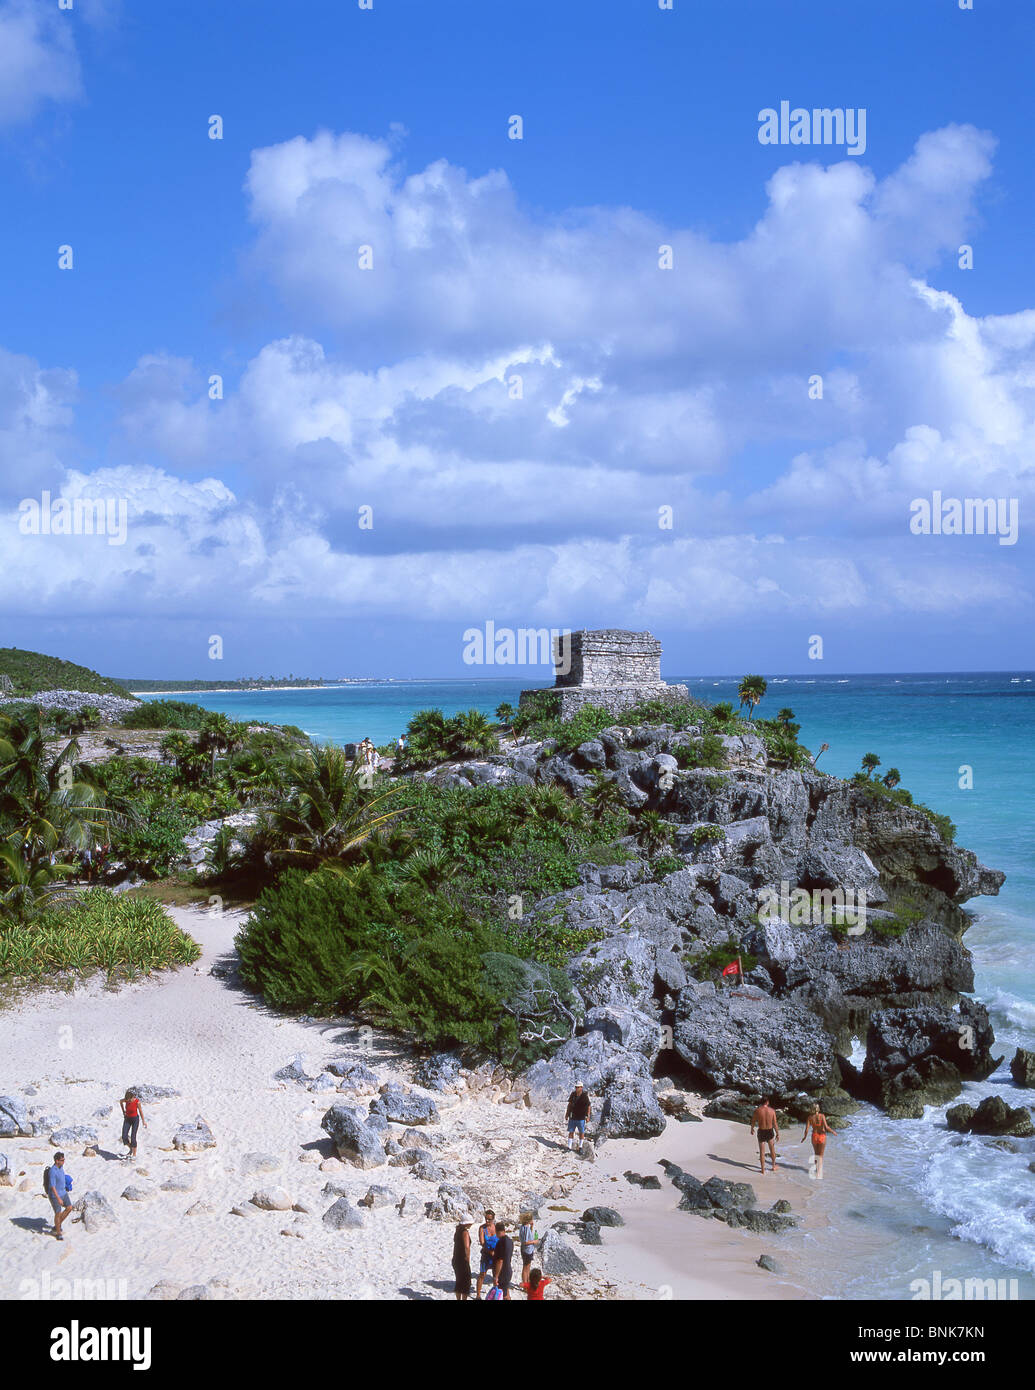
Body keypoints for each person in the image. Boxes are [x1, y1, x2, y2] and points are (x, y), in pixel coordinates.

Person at [801, 1100, 834, 1179]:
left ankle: (816, 1170)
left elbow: (806, 1130)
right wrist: (833, 1132)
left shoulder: (810, 1118)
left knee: (816, 1155)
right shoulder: (822, 1116)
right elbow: (826, 1127)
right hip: (822, 1136)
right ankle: (819, 1174)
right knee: (821, 1156)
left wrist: (804, 1138)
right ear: (818, 1109)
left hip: (814, 1136)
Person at [751, 1096, 779, 1174]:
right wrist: (777, 1133)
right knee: (772, 1149)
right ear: (767, 1102)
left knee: (762, 1152)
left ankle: (763, 1170)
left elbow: (753, 1121)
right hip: (769, 1131)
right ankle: (773, 1166)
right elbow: (775, 1123)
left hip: (761, 1131)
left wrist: (752, 1128)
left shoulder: (757, 1110)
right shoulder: (772, 1111)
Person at [47, 1153, 72, 1240]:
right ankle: (58, 1232)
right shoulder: (52, 1171)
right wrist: (58, 1198)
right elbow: (52, 1186)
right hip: (55, 1195)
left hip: (63, 1192)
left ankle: (56, 1226)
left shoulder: (60, 1167)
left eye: (64, 1160)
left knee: (69, 1208)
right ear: (57, 1161)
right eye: (62, 1160)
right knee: (57, 1213)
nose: (63, 1162)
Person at [476, 1209, 498, 1299]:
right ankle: (478, 1294)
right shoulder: (482, 1228)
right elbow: (482, 1242)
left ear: (493, 1219)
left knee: (495, 1274)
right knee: (482, 1274)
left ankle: (495, 1292)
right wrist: (490, 1251)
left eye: (489, 1219)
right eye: (486, 1219)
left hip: (496, 1255)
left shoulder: (496, 1227)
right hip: (486, 1254)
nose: (487, 1221)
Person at [491, 1220, 515, 1301]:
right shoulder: (509, 1240)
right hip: (508, 1270)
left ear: (496, 1231)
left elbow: (500, 1261)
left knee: (503, 1295)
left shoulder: (501, 1242)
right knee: (506, 1293)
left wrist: (496, 1277)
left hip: (503, 1272)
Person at [119, 1091, 146, 1159]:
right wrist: (123, 1112)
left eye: (129, 1100)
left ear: (132, 1097)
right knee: (124, 1136)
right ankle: (131, 1148)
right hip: (127, 1119)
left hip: (135, 1120)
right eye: (127, 1100)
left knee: (133, 1137)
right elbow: (120, 1102)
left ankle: (134, 1154)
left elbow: (140, 1111)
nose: (128, 1101)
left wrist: (143, 1121)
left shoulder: (137, 1102)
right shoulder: (126, 1100)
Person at [452, 1216, 474, 1300]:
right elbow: (467, 1247)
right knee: (466, 1283)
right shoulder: (465, 1232)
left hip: (456, 1259)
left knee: (459, 1282)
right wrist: (467, 1258)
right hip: (462, 1260)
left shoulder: (457, 1230)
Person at [565, 1081, 591, 1151]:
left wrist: (588, 1116)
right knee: (571, 1132)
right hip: (573, 1117)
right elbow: (569, 1105)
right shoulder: (573, 1094)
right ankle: (569, 1147)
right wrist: (567, 1114)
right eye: (576, 1087)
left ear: (581, 1088)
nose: (577, 1088)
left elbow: (588, 1106)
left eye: (578, 1087)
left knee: (581, 1132)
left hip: (581, 1118)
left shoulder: (585, 1096)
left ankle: (580, 1147)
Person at [518, 1211, 536, 1284]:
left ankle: (527, 1282)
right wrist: (534, 1242)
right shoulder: (526, 1228)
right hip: (527, 1250)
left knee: (527, 1266)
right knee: (526, 1267)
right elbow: (525, 1242)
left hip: (525, 1249)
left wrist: (531, 1227)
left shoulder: (523, 1227)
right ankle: (525, 1283)